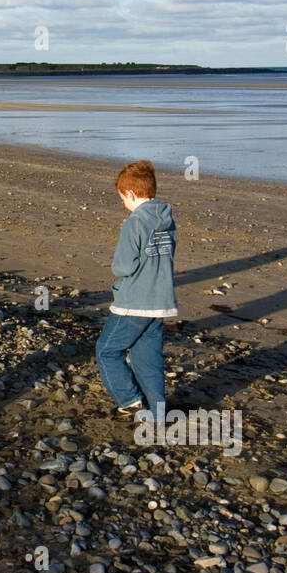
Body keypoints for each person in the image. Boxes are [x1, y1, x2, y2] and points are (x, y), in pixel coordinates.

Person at [95, 160, 177, 415]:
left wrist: (126, 232)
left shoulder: (134, 223)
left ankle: (129, 400)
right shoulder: (166, 219)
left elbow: (123, 267)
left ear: (131, 194)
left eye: (123, 199)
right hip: (160, 301)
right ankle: (157, 412)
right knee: (147, 359)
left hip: (133, 302)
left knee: (107, 351)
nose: (124, 204)